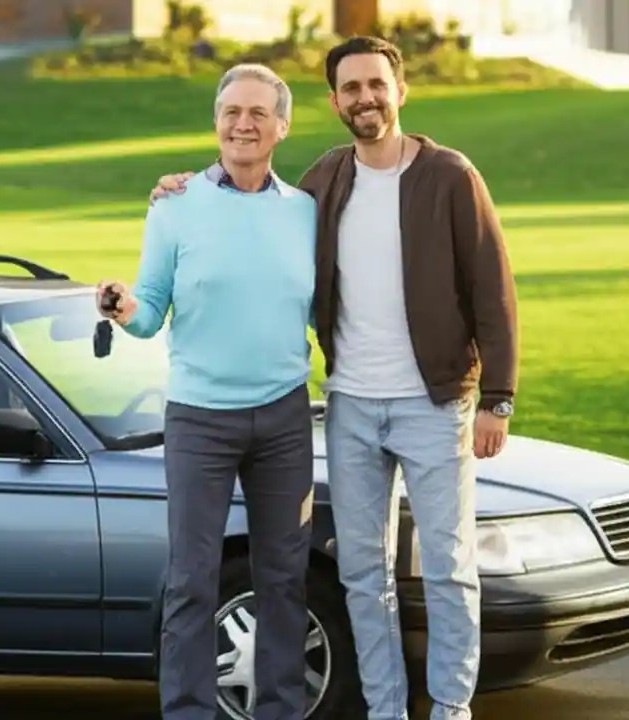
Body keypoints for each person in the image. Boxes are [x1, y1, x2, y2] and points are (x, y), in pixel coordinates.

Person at [149, 37, 520, 720]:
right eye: (350, 89)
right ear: (334, 102)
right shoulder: (326, 181)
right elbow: (249, 196)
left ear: (399, 90)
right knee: (361, 574)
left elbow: (492, 289)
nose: (365, 99)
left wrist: (497, 397)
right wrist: (182, 188)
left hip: (435, 406)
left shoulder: (449, 176)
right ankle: (385, 711)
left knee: (447, 568)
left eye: (376, 85)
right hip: (349, 402)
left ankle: (448, 710)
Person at [100, 63, 319, 720]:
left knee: (283, 579)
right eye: (231, 111)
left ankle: (279, 709)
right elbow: (150, 311)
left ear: (281, 126)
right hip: (200, 420)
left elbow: (324, 309)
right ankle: (189, 711)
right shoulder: (176, 205)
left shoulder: (305, 212)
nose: (243, 123)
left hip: (284, 418)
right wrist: (124, 307)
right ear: (216, 121)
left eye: (258, 112)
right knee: (193, 581)